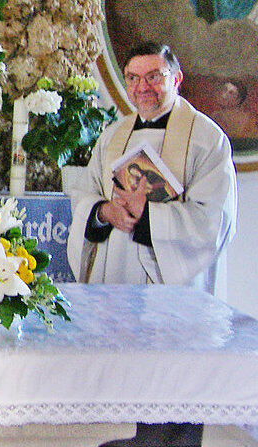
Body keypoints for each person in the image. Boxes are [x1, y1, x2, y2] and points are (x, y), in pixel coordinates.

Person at [66, 42, 237, 297]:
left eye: (153, 77)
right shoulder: (112, 136)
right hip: (112, 283)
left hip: (171, 298)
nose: (142, 87)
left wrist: (147, 215)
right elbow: (84, 194)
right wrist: (103, 212)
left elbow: (214, 220)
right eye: (133, 78)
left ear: (176, 79)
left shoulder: (207, 139)